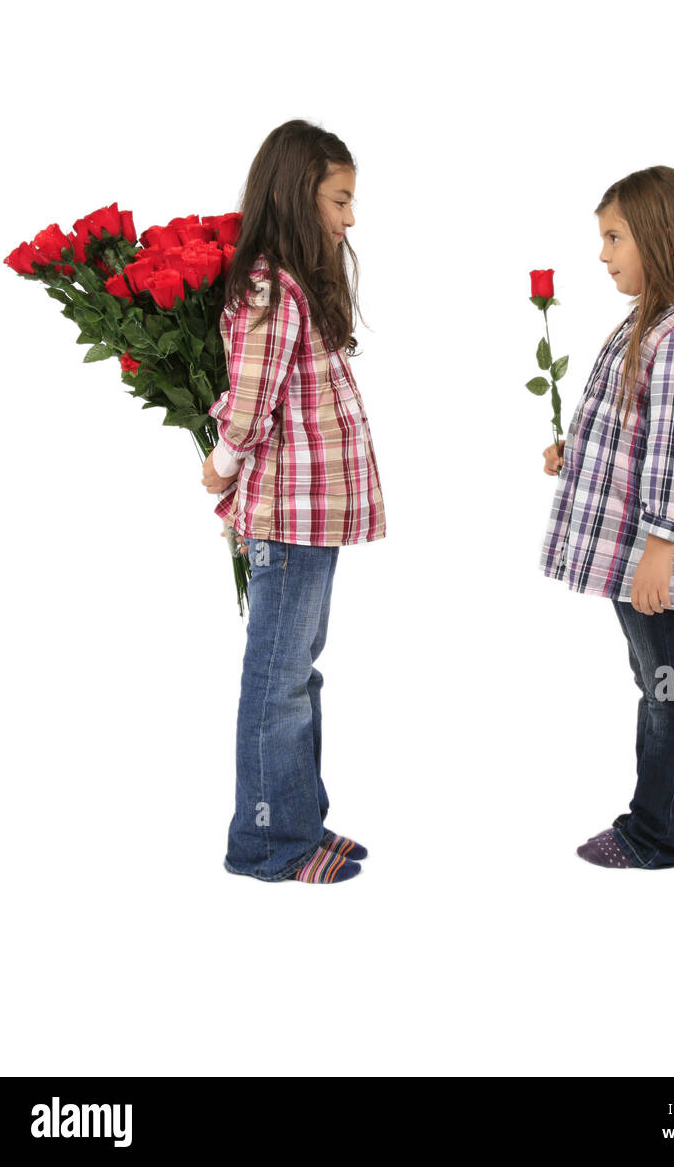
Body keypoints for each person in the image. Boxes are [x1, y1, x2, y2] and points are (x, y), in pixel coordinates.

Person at [201, 120, 385, 885]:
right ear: (296, 193)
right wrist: (220, 465)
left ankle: (299, 824)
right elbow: (250, 403)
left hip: (311, 515)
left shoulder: (297, 285)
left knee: (297, 672)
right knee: (276, 678)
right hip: (286, 514)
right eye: (339, 201)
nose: (350, 219)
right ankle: (267, 843)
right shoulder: (268, 287)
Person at [540, 165, 674, 870]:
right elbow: (642, 428)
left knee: (673, 690)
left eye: (615, 237)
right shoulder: (652, 322)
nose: (603, 254)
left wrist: (660, 547)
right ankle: (652, 816)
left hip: (662, 555)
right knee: (655, 684)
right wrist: (579, 450)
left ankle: (662, 835)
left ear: (666, 236)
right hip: (644, 551)